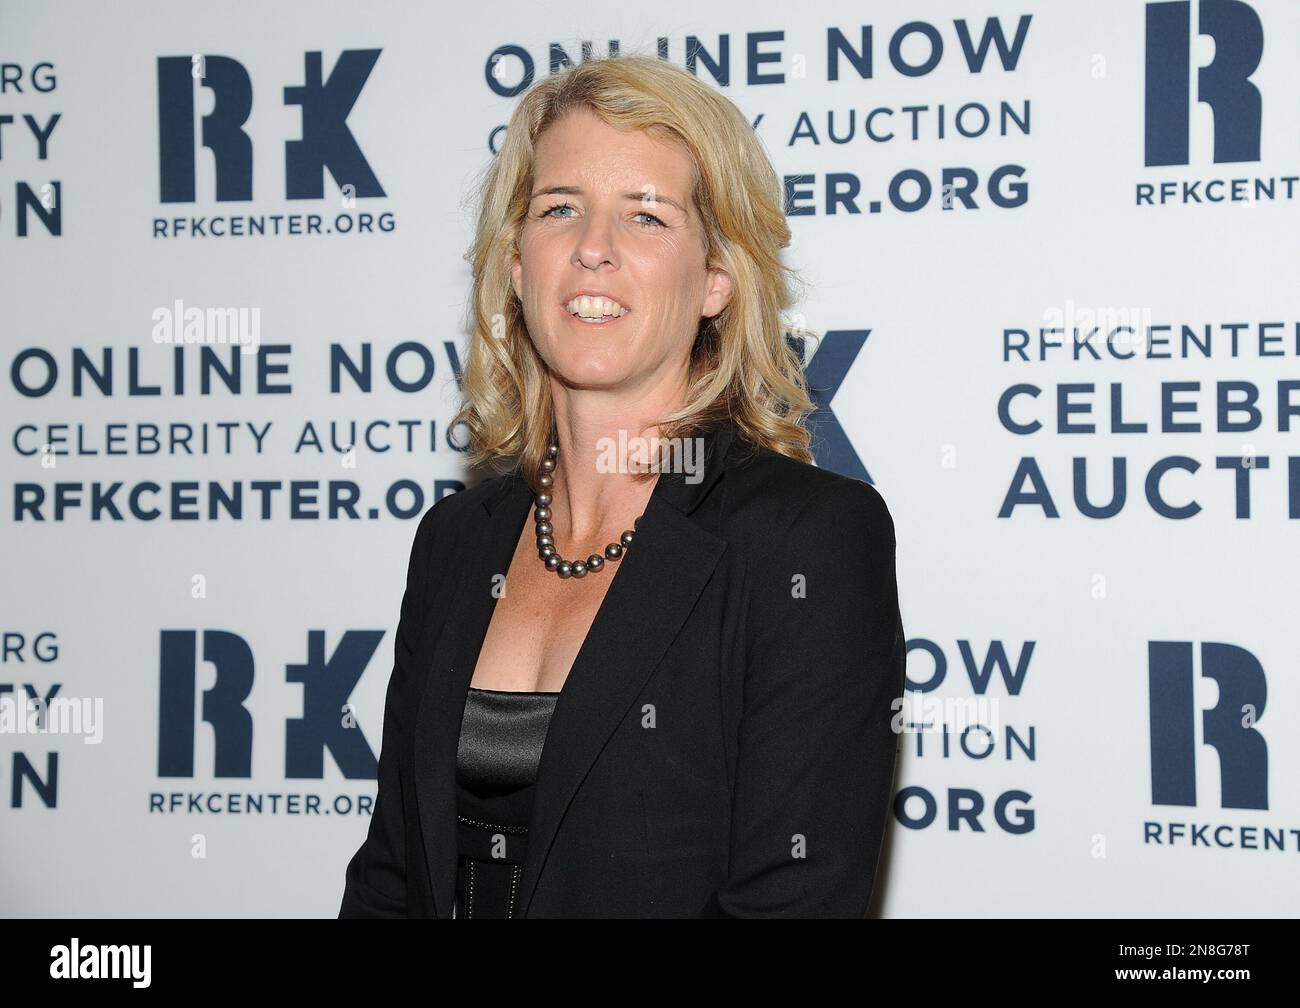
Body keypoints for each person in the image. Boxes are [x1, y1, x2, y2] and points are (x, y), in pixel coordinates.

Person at [338, 53, 906, 919]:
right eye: (559, 210)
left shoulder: (806, 542)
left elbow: (794, 903)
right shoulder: (458, 541)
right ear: (518, 265)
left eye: (646, 217)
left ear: (718, 278)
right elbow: (390, 878)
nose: (593, 250)